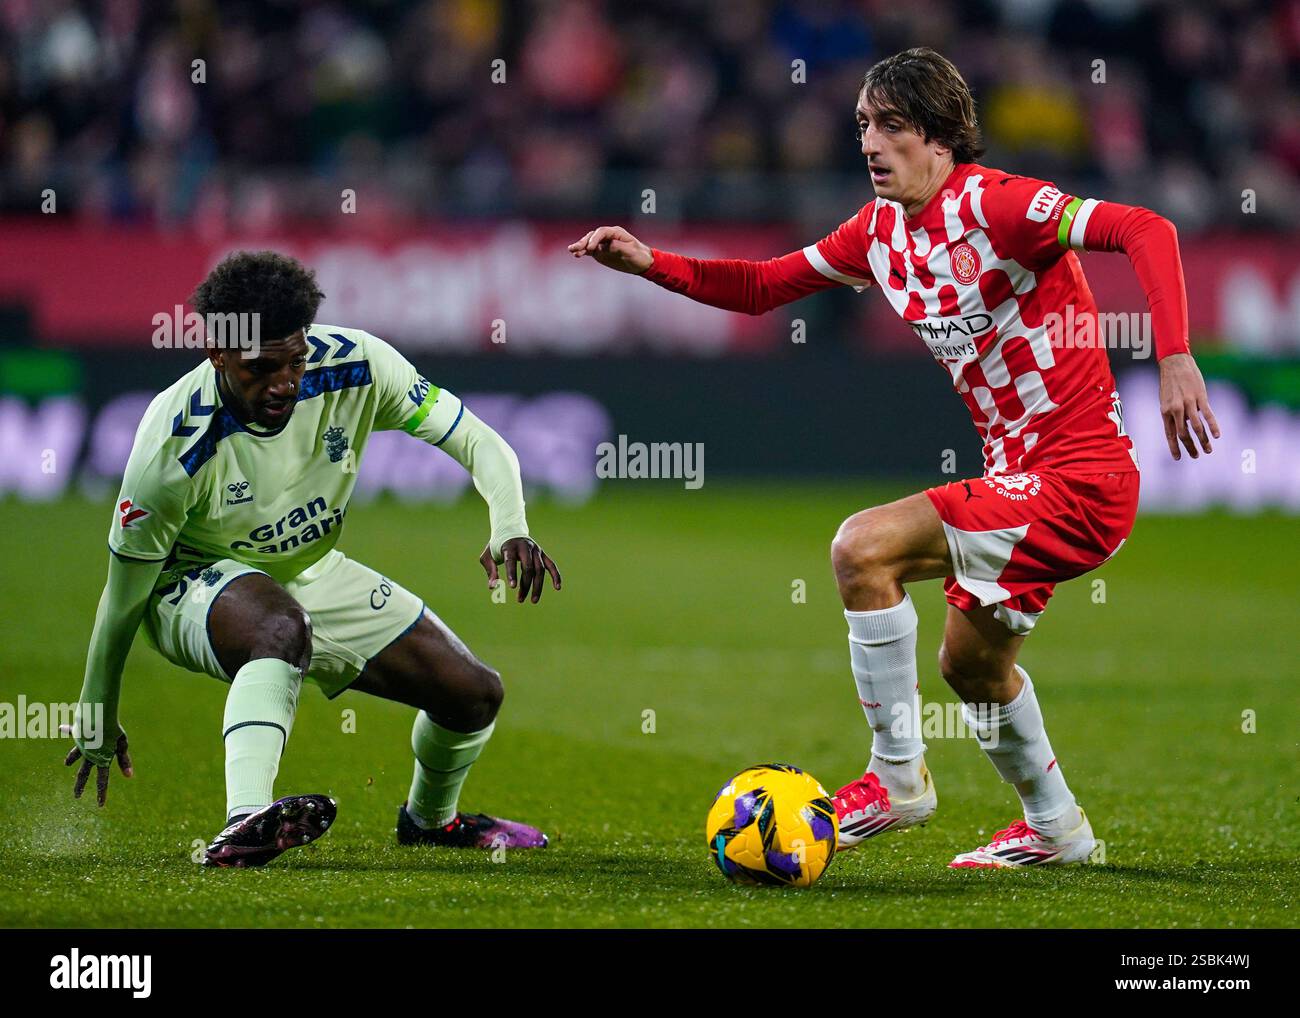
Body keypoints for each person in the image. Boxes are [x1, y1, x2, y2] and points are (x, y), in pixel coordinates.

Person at [569, 47, 1218, 868]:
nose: (871, 143)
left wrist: (1175, 354)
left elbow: (1143, 227)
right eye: (863, 126)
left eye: (893, 126)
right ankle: (1059, 830)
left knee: (860, 547)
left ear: (942, 138)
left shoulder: (1002, 205)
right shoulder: (877, 233)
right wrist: (649, 263)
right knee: (972, 668)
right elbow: (765, 285)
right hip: (1019, 480)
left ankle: (897, 777)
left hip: (1081, 481)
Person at [64, 251, 560, 867]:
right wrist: (96, 713)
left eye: (294, 360)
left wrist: (509, 525)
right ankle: (245, 821)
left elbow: (478, 439)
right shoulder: (171, 444)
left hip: (309, 569)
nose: (283, 384)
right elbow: (122, 596)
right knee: (278, 626)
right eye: (260, 368)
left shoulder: (357, 364)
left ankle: (431, 822)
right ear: (217, 354)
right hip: (187, 582)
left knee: (474, 695)